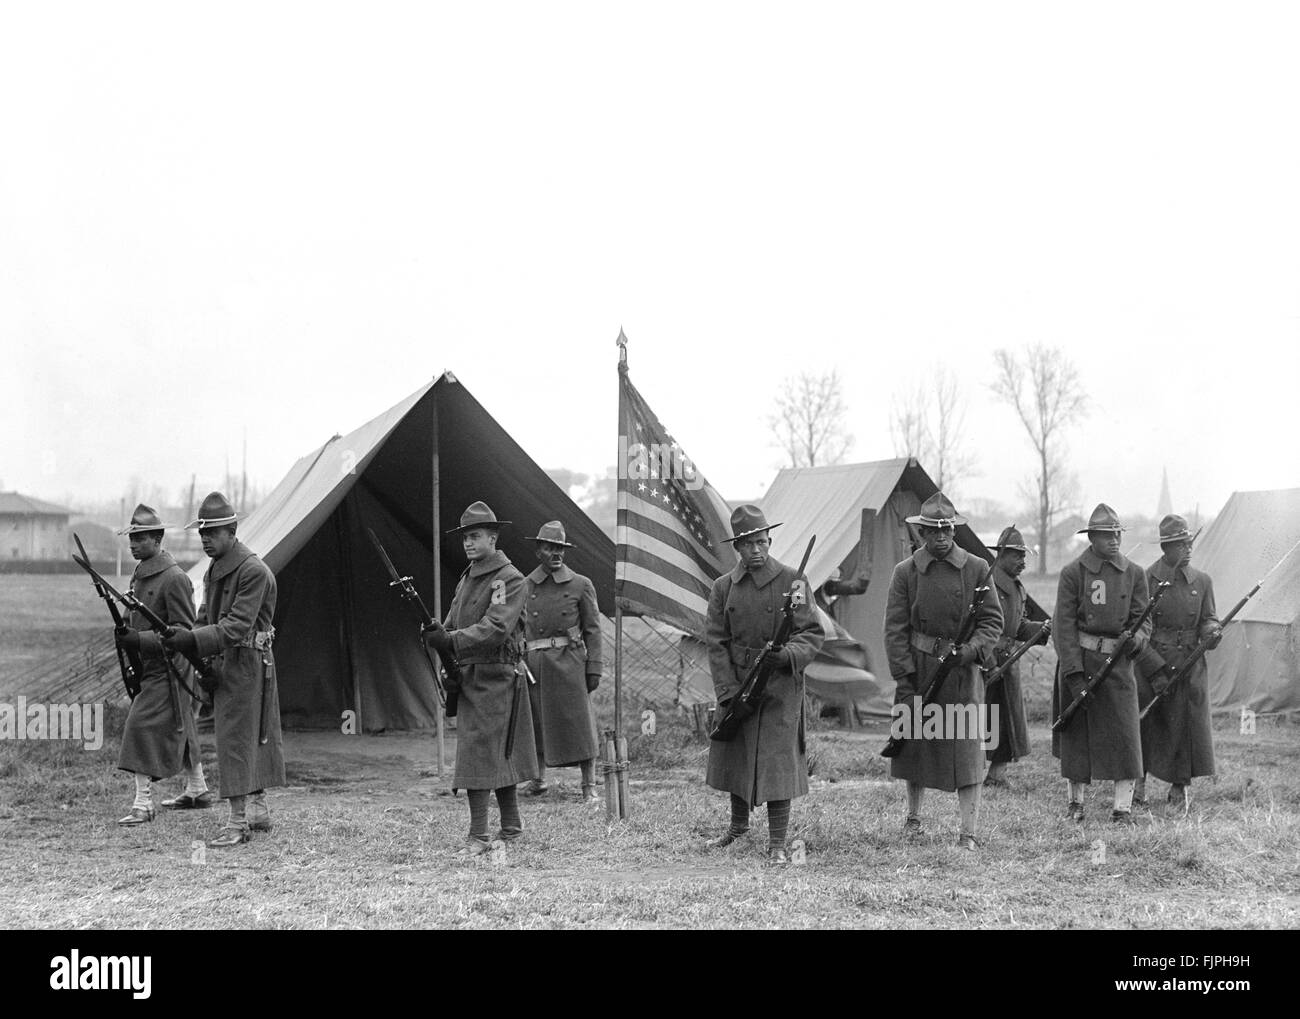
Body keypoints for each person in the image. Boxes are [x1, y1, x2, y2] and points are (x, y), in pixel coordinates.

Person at [704, 505, 823, 864]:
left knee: (776, 762)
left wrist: (787, 656)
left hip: (780, 685)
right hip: (740, 683)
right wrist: (727, 690)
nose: (756, 550)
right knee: (737, 754)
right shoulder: (723, 588)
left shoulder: (793, 583)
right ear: (737, 547)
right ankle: (737, 827)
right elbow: (716, 641)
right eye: (748, 544)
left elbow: (812, 632)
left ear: (769, 540)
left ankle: (777, 841)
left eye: (761, 542)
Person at [165, 491, 285, 847]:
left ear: (232, 530)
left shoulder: (253, 570)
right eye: (202, 532)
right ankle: (258, 811)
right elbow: (207, 618)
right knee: (247, 736)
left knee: (240, 739)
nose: (205, 539)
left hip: (249, 662)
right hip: (225, 660)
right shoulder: (216, 569)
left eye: (212, 532)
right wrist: (187, 642)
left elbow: (236, 626)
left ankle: (237, 823)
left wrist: (192, 641)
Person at [885, 492, 1002, 851]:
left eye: (946, 530)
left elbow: (992, 621)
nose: (940, 537)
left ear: (954, 529)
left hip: (962, 673)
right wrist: (904, 677)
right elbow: (895, 628)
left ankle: (968, 831)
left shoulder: (978, 568)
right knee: (913, 746)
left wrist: (969, 651)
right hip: (919, 669)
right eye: (932, 531)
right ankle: (913, 817)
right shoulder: (905, 572)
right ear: (920, 532)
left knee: (967, 750)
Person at [422, 501, 538, 854]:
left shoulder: (508, 578)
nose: (468, 543)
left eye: (475, 536)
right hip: (472, 674)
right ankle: (512, 828)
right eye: (465, 538)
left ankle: (479, 836)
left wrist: (452, 640)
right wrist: (437, 632)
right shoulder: (468, 577)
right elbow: (455, 620)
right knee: (494, 754)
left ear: (493, 538)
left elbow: (497, 627)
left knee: (479, 754)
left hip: (496, 675)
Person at [1051, 503, 1150, 825]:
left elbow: (1143, 620)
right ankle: (1075, 803)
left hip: (1118, 666)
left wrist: (1135, 641)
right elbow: (1062, 626)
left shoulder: (1135, 574)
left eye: (1117, 534)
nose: (1114, 540)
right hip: (1081, 660)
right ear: (1091, 537)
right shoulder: (1072, 573)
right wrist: (1074, 673)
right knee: (1077, 735)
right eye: (1106, 535)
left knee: (1125, 735)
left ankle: (1122, 807)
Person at [112, 504, 210, 825]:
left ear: (157, 540)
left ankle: (143, 804)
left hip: (172, 667)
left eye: (140, 538)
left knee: (139, 724)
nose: (133, 544)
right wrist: (125, 630)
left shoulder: (175, 578)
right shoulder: (140, 574)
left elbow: (182, 631)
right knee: (185, 725)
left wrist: (139, 641)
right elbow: (136, 616)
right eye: (132, 538)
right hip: (151, 664)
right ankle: (198, 789)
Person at [1133, 514, 1220, 812]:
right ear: (1166, 548)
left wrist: (1211, 632)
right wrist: (1153, 668)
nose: (1188, 549)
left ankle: (1179, 788)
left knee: (1186, 727)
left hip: (1190, 665)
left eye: (1190, 543)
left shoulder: (1202, 581)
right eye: (1182, 544)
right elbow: (1137, 630)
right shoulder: (1146, 580)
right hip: (1153, 663)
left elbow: (1209, 618)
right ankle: (1137, 785)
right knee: (1147, 724)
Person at [521, 520, 603, 803]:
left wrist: (594, 667)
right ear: (538, 550)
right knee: (537, 721)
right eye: (549, 547)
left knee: (580, 723)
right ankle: (539, 779)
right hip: (535, 664)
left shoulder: (581, 584)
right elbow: (517, 627)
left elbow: (593, 629)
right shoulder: (524, 585)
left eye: (560, 548)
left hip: (570, 663)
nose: (556, 553)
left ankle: (589, 784)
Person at [983, 525, 1050, 789]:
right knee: (980, 722)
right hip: (986, 662)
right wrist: (987, 662)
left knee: (1006, 720)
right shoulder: (986, 582)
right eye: (1017, 556)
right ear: (1001, 555)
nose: (1023, 562)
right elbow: (978, 627)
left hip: (1008, 663)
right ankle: (971, 775)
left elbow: (1018, 627)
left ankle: (996, 776)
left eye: (1024, 557)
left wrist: (1040, 628)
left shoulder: (1018, 588)